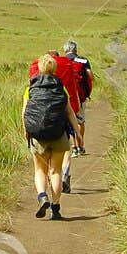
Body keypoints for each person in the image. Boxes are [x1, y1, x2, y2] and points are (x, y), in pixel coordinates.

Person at [22, 55, 81, 220]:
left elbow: (25, 112)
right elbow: (70, 112)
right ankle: (55, 208)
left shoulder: (30, 88)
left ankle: (42, 196)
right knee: (55, 172)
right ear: (55, 69)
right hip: (58, 135)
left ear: (39, 68)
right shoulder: (61, 88)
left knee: (40, 170)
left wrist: (27, 131)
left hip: (38, 135)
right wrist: (77, 134)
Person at [30, 44, 88, 191]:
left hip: (41, 122)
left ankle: (44, 191)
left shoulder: (35, 82)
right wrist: (78, 133)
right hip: (65, 112)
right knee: (65, 148)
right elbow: (73, 93)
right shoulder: (66, 70)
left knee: (42, 165)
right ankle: (65, 174)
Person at [63, 39, 94, 161]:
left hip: (65, 98)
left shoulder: (62, 61)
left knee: (69, 120)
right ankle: (81, 145)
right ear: (76, 50)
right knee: (80, 121)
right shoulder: (83, 60)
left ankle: (73, 146)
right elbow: (90, 76)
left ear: (65, 50)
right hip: (80, 97)